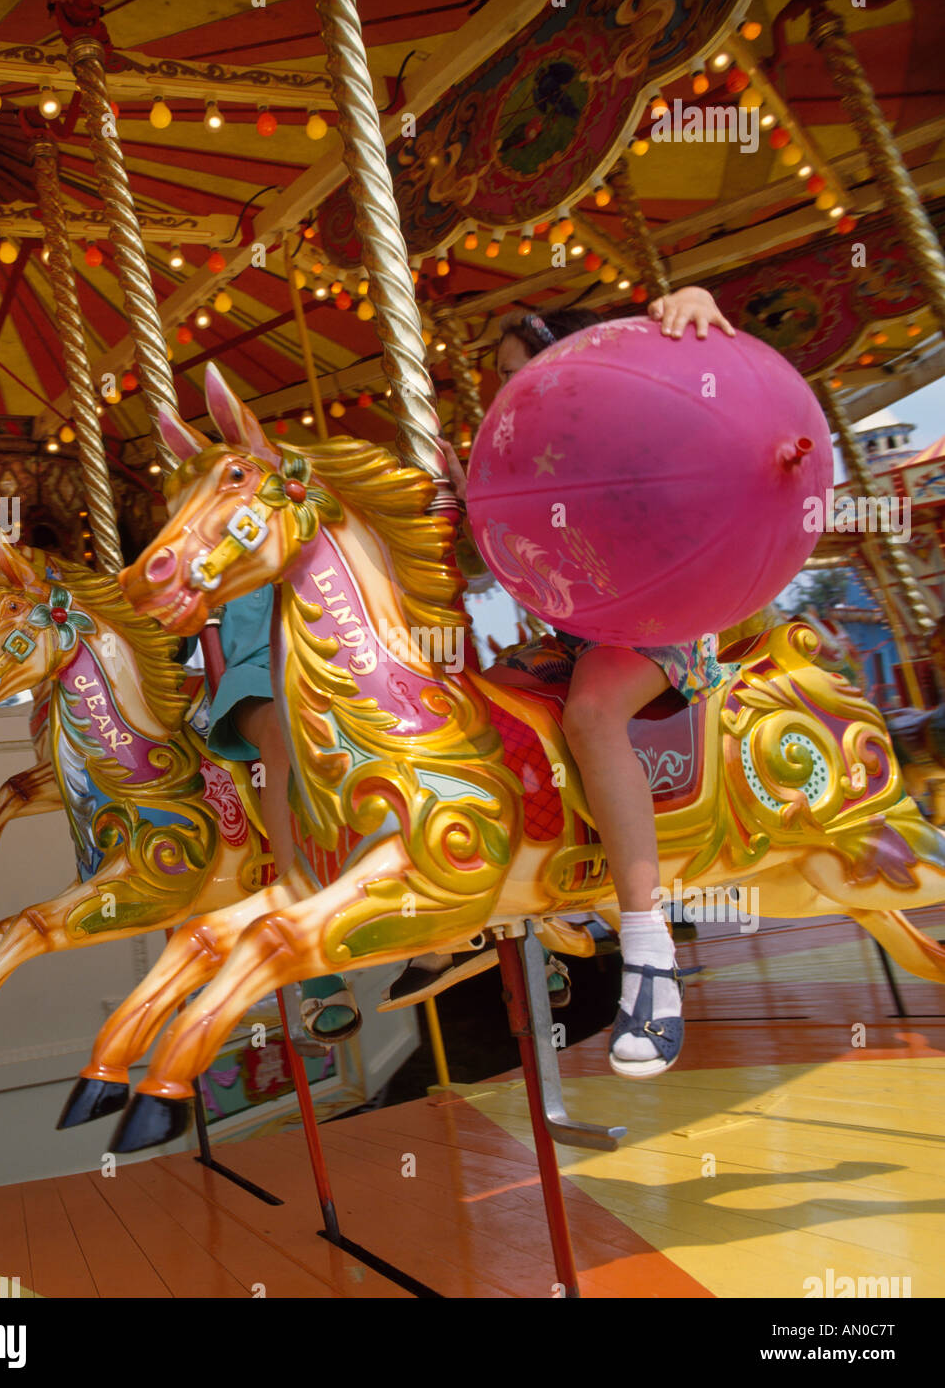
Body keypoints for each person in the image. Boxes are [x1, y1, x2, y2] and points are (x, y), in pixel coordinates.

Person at [388, 287, 737, 1077]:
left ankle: (649, 957)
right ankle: (485, 904)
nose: (505, 386)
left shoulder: (621, 417)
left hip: (664, 618)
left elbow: (717, 398)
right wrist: (460, 489)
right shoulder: (526, 455)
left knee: (589, 714)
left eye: (517, 368)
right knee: (479, 707)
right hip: (581, 633)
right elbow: (499, 559)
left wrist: (690, 302)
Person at [201, 589, 361, 1042]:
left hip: (336, 670)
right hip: (257, 680)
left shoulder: (314, 531)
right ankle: (296, 901)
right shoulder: (214, 550)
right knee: (280, 726)